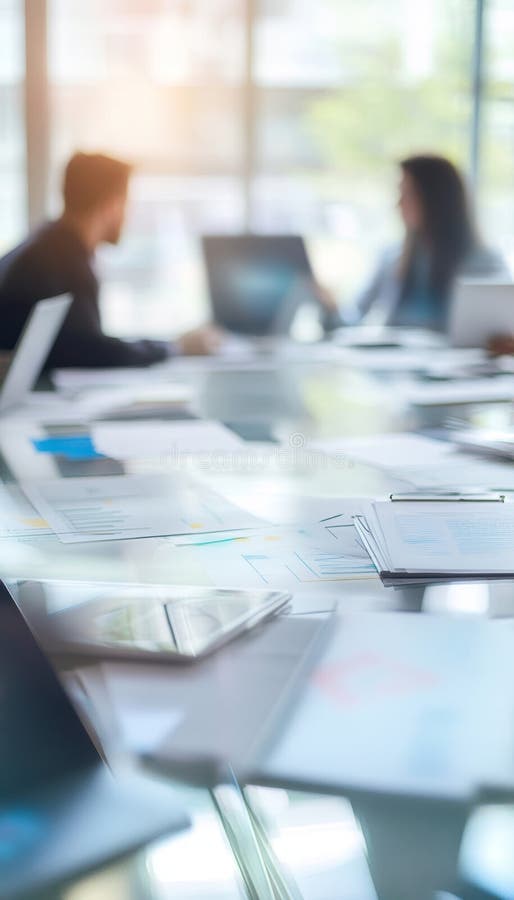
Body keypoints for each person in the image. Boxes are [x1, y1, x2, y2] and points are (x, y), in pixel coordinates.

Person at [0, 152, 220, 368]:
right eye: (126, 204)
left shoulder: (50, 245)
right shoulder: (61, 259)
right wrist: (173, 348)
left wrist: (167, 346)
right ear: (110, 206)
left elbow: (85, 340)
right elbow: (92, 350)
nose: (128, 215)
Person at [323, 154, 508, 333]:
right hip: (396, 359)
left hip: (451, 361)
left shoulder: (485, 263)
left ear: (436, 199)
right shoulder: (391, 257)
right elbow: (351, 320)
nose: (398, 204)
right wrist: (330, 306)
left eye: (407, 194)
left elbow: (497, 329)